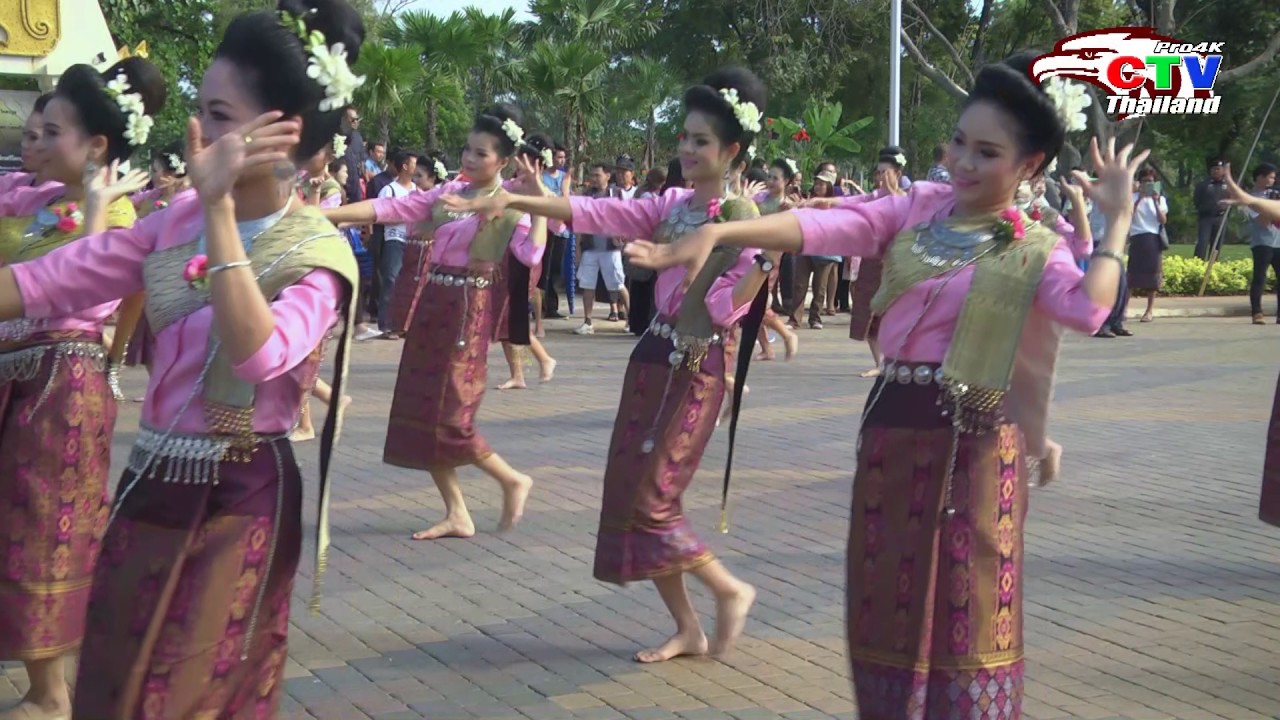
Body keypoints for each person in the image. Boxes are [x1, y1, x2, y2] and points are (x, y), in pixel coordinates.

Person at [626, 53, 1144, 715]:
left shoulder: (1036, 244)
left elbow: (1090, 308)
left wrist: (1117, 225)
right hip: (894, 433)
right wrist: (728, 229)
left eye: (987, 152)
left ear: (1030, 166)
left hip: (976, 448)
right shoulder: (920, 208)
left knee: (966, 602)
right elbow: (830, 225)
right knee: (883, 600)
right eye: (958, 141)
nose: (962, 161)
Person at [0, 0, 364, 714]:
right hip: (150, 482)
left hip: (241, 498)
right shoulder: (175, 223)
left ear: (283, 133)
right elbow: (49, 279)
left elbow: (260, 354)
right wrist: (208, 208)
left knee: (181, 692)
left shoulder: (317, 255)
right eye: (201, 110)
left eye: (220, 116)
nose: (198, 136)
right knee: (115, 676)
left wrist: (222, 211)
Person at [444, 66, 771, 663]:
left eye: (702, 141)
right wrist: (517, 196)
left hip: (698, 367)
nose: (689, 149)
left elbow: (729, 307)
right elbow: (592, 211)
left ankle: (728, 587)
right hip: (651, 358)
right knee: (627, 490)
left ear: (733, 150)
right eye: (686, 138)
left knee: (654, 495)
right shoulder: (670, 203)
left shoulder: (746, 218)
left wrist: (725, 265)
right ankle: (688, 627)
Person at [0, 55, 163, 720]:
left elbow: (94, 285)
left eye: (52, 130)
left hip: (62, 380)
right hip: (17, 370)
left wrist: (95, 214)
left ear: (96, 145)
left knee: (45, 531)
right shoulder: (29, 196)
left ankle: (51, 694)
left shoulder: (121, 215)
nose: (33, 140)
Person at [323, 103, 542, 541]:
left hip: (468, 308)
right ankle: (457, 512)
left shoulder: (511, 204)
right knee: (421, 407)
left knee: (453, 412)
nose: (469, 159)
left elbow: (531, 255)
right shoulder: (448, 194)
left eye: (481, 154)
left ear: (503, 161)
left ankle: (511, 478)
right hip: (434, 303)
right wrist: (326, 215)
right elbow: (387, 212)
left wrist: (539, 206)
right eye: (467, 149)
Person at [497, 133, 557, 390]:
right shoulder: (510, 184)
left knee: (511, 317)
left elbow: (556, 224)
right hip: (504, 254)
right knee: (504, 319)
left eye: (523, 159)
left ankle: (544, 358)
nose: (517, 163)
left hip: (523, 256)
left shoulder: (541, 191)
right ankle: (518, 374)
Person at [752, 157, 800, 360]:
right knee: (751, 304)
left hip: (770, 257)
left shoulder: (786, 205)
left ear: (787, 181)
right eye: (769, 177)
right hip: (751, 254)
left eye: (776, 178)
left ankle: (786, 334)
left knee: (757, 302)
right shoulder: (759, 198)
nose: (770, 181)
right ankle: (766, 348)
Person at [1128, 166, 1167, 324]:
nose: (1147, 184)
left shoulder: (1160, 199)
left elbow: (1163, 220)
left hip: (1153, 237)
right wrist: (1139, 198)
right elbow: (1128, 215)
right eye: (1144, 181)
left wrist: (1156, 201)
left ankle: (1149, 310)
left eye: (1150, 181)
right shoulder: (1132, 197)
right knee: (1131, 275)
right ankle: (1123, 308)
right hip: (1137, 236)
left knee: (1153, 276)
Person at [1245, 162, 1280, 324]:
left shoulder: (1275, 196)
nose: (1272, 180)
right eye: (1270, 177)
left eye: (1274, 178)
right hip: (1262, 243)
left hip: (1278, 242)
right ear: (1260, 177)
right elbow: (1263, 221)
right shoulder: (1252, 199)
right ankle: (1257, 312)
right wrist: (1270, 207)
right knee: (1260, 277)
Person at [1193, 158, 1230, 260]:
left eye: (1218, 169)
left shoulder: (1227, 185)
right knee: (1203, 242)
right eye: (1214, 169)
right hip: (1206, 217)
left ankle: (1213, 264)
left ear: (1223, 170)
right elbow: (1196, 200)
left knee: (1217, 244)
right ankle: (1197, 264)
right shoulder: (1203, 184)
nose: (1216, 171)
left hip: (1221, 218)